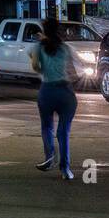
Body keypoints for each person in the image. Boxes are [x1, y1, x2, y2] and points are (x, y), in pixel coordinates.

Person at [31, 17, 78, 180]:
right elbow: (73, 72)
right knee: (63, 132)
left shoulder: (39, 47)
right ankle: (65, 169)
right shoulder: (66, 48)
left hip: (47, 91)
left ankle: (50, 156)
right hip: (65, 92)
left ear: (44, 31)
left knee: (47, 127)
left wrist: (44, 68)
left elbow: (35, 66)